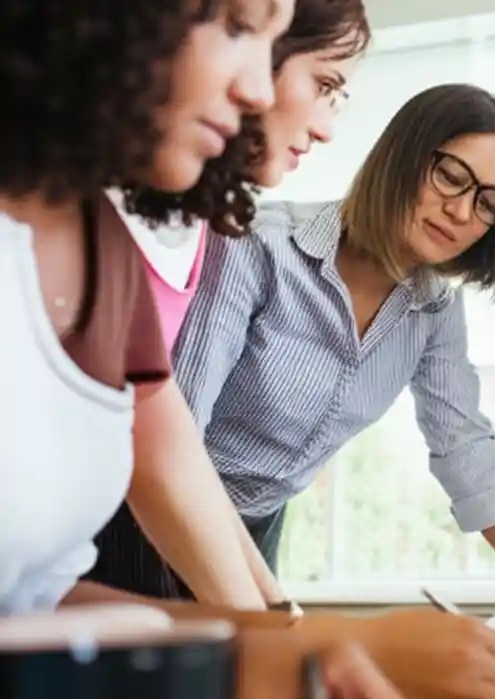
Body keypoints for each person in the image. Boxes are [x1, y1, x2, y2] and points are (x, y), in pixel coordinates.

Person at [0, 2, 495, 699]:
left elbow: (41, 600)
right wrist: (296, 643)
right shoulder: (253, 247)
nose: (260, 89)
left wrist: (291, 641)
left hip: (237, 538)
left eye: (489, 203)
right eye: (237, 28)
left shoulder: (110, 250)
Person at [171, 83, 495, 607]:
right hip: (166, 507)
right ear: (401, 155)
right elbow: (177, 431)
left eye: (488, 203)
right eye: (451, 177)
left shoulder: (434, 309)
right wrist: (267, 606)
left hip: (257, 529)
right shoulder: (259, 246)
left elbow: (467, 453)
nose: (460, 211)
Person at [87, 0, 373, 607]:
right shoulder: (81, 219)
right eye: (323, 85)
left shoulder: (187, 224)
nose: (325, 128)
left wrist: (276, 620)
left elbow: (168, 439)